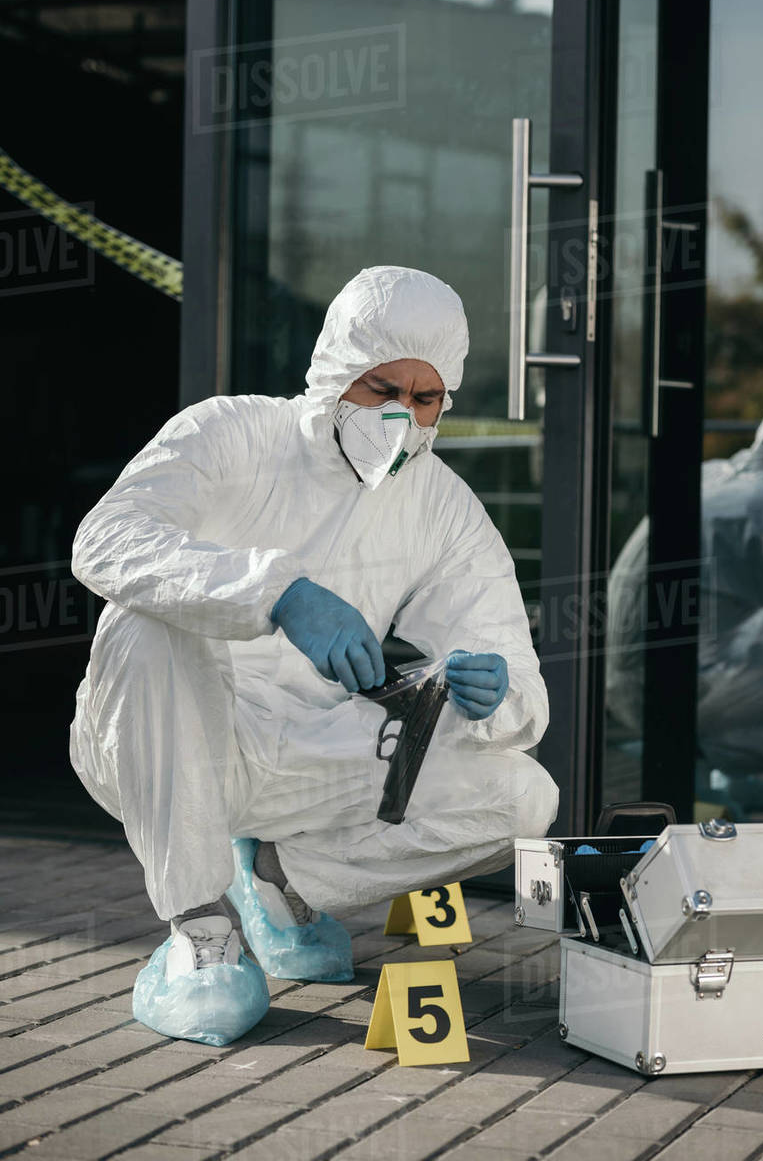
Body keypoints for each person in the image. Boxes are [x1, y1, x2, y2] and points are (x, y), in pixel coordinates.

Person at [68, 264, 558, 1046]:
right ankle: (200, 929)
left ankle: (273, 882)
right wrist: (279, 592)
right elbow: (106, 541)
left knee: (520, 797)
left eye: (423, 398)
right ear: (335, 372)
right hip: (166, 745)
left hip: (307, 754)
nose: (400, 417)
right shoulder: (229, 432)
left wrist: (496, 693)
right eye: (379, 389)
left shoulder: (438, 504)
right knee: (142, 621)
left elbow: (513, 669)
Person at [606, 388, 763, 815]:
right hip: (674, 690)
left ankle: (732, 787)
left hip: (635, 678)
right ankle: (743, 792)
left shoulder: (716, 474)